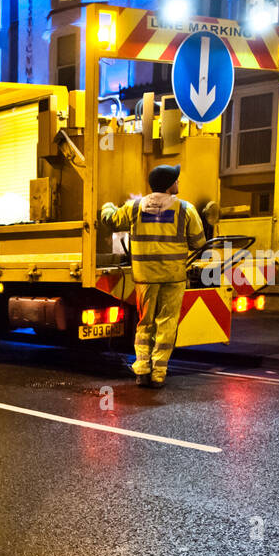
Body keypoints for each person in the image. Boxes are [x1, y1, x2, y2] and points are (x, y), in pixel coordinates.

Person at [101, 163, 206, 388]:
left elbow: (111, 221)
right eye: (176, 180)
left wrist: (107, 207)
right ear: (169, 185)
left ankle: (142, 370)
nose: (179, 182)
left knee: (144, 323)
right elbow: (199, 242)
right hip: (173, 277)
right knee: (167, 323)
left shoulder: (135, 207)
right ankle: (158, 374)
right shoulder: (185, 209)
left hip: (145, 278)